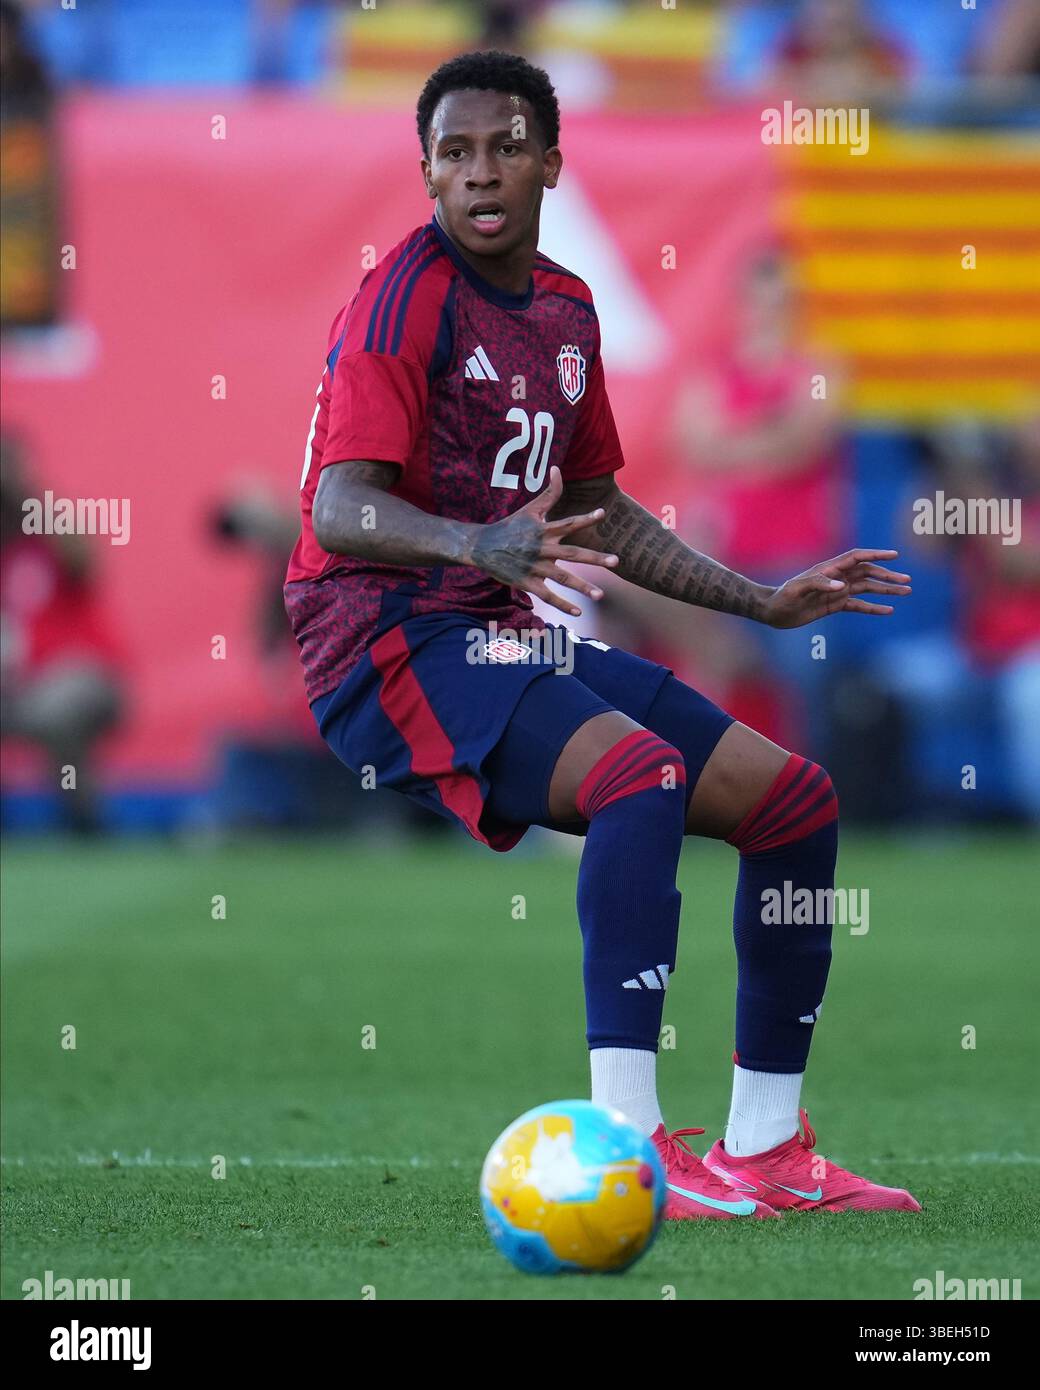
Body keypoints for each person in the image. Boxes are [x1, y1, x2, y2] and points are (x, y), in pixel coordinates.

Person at [284, 50, 918, 1219]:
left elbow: (601, 512)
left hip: (491, 622)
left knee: (794, 803)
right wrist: (478, 547)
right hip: (380, 639)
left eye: (505, 147)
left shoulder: (566, 309)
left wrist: (762, 600)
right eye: (455, 152)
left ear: (551, 163)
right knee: (643, 776)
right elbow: (335, 507)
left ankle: (765, 1149)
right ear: (423, 171)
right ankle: (625, 1148)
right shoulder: (402, 298)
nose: (481, 173)